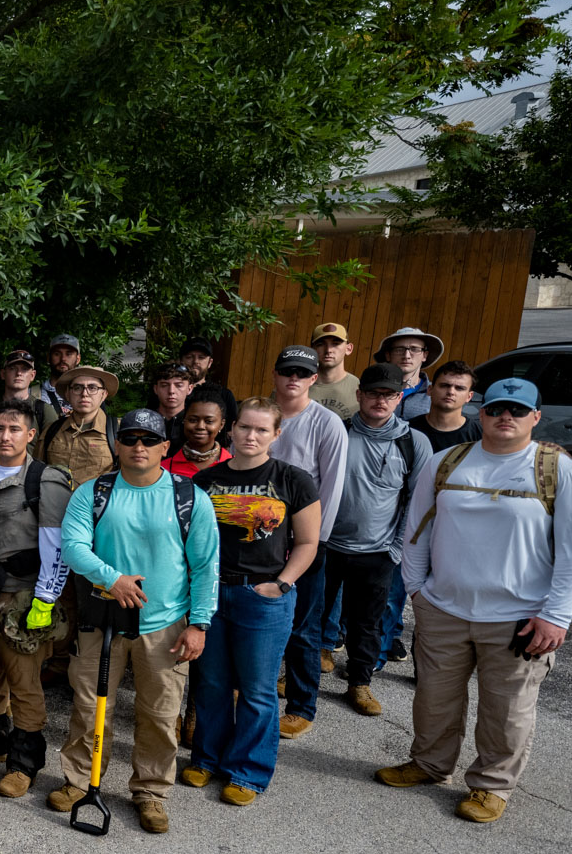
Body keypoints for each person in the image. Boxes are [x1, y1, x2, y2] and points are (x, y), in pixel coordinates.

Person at [377, 378, 572, 822]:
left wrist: (556, 615)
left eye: (517, 410)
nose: (505, 418)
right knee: (434, 700)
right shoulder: (446, 462)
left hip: (519, 618)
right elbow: (416, 532)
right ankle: (429, 764)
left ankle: (492, 785)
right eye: (496, 409)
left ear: (536, 417)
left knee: (507, 710)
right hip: (445, 609)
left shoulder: (558, 470)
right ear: (482, 413)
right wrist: (418, 592)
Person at [50, 410, 218, 834]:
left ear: (165, 447)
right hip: (102, 619)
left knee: (160, 715)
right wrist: (114, 579)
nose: (138, 447)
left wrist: (198, 624)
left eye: (149, 439)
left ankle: (151, 791)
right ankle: (79, 780)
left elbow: (206, 565)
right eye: (129, 438)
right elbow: (71, 547)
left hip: (165, 625)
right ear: (118, 445)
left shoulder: (189, 497)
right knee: (89, 708)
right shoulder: (93, 492)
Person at [184, 398, 320, 804]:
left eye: (262, 430)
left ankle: (247, 771)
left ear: (276, 435)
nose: (251, 436)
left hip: (263, 597)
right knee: (210, 683)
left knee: (258, 690)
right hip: (212, 592)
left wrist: (281, 584)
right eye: (245, 427)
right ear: (231, 429)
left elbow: (309, 542)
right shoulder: (206, 480)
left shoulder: (294, 479)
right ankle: (206, 759)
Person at [0, 401, 72, 797]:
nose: (5, 436)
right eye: (0, 428)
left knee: (24, 682)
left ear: (31, 435)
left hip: (23, 597)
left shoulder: (45, 480)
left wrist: (44, 602)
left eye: (14, 429)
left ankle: (24, 762)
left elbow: (57, 548)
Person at [323, 364, 432, 718]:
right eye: (373, 393)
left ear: (399, 398)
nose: (380, 400)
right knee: (311, 616)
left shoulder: (414, 443)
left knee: (366, 623)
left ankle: (359, 682)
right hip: (327, 546)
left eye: (389, 394)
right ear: (359, 395)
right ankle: (303, 675)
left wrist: (396, 549)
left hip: (378, 551)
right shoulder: (336, 433)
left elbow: (420, 503)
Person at [265, 344, 348, 740]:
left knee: (303, 628)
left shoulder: (326, 423)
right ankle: (251, 694)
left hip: (305, 541)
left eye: (302, 373)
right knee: (256, 621)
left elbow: (330, 489)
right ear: (276, 375)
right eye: (287, 371)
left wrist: (312, 543)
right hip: (257, 540)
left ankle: (301, 705)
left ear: (314, 379)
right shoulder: (259, 416)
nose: (293, 379)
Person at [40, 367, 117, 485]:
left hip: (97, 502)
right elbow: (37, 470)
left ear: (104, 394)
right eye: (77, 388)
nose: (84, 394)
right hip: (55, 502)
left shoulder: (117, 431)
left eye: (92, 388)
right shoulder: (52, 430)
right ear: (68, 394)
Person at [409, 361, 481, 452]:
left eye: (459, 388)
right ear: (430, 390)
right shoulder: (408, 430)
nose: (451, 392)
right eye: (444, 386)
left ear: (469, 396)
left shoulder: (481, 435)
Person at [376, 326, 445, 419]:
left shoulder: (435, 394)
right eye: (399, 349)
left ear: (425, 355)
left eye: (415, 349)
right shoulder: (371, 391)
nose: (406, 356)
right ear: (388, 355)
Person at [161, 386, 231, 477]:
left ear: (221, 424)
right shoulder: (164, 469)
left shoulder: (234, 466)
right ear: (184, 420)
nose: (200, 426)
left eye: (209, 421)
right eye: (193, 420)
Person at [0, 348, 57, 433]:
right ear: (3, 374)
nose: (19, 373)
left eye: (24, 369)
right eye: (13, 368)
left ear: (32, 375)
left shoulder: (44, 411)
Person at [308, 322, 360, 418]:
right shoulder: (297, 385)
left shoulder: (359, 388)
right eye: (321, 344)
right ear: (312, 350)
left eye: (336, 344)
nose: (328, 350)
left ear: (348, 348)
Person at [146, 363, 193, 446]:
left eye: (179, 385)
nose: (171, 391)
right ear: (156, 389)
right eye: (164, 385)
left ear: (189, 389)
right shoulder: (144, 421)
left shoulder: (195, 423)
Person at [44, 335, 83, 410]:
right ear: (49, 358)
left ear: (78, 359)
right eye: (57, 354)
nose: (63, 359)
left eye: (69, 354)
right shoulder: (32, 394)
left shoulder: (88, 394)